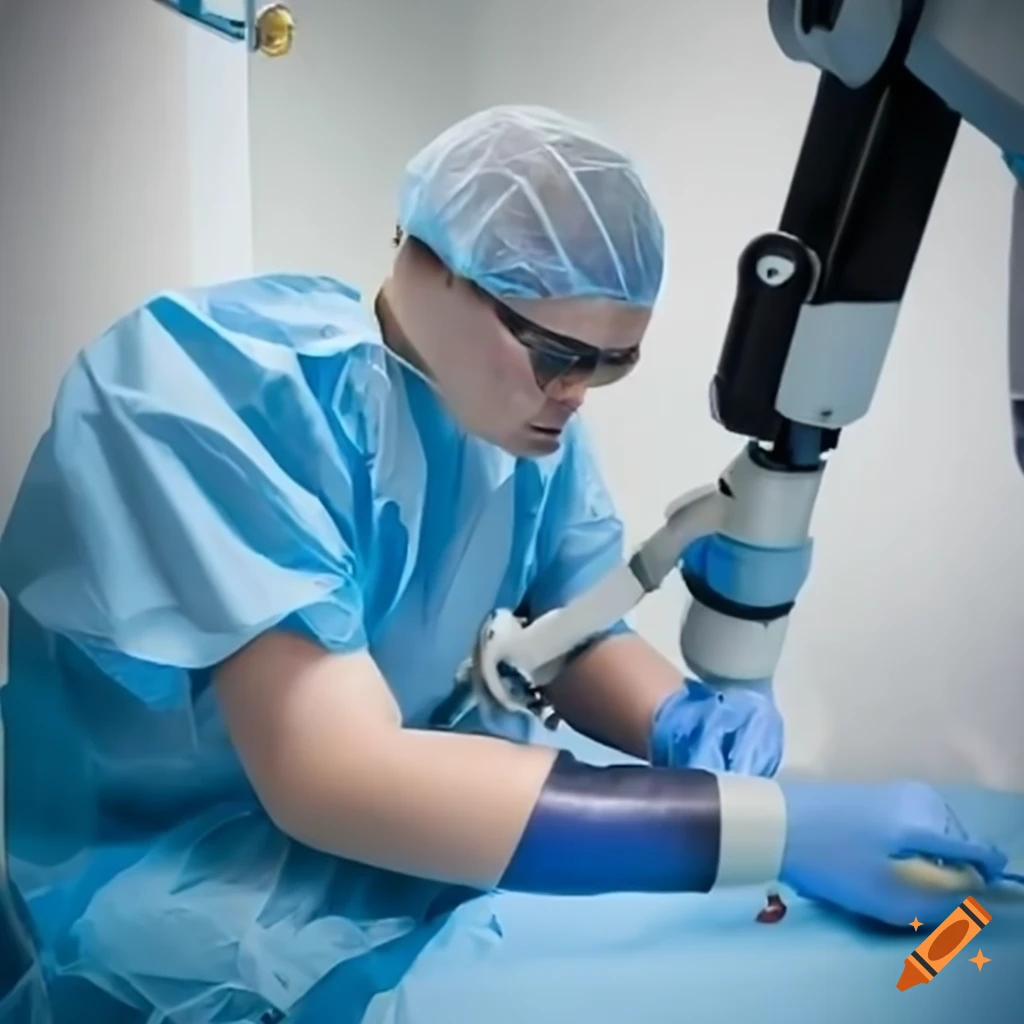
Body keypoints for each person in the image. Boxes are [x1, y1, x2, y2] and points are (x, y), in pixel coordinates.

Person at [0, 106, 1007, 1024]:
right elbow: (331, 778)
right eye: (556, 350)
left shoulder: (520, 419)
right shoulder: (210, 395)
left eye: (612, 363)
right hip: (192, 863)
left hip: (443, 821)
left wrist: (675, 721)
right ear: (432, 261)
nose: (578, 393)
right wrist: (774, 830)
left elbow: (568, 626)